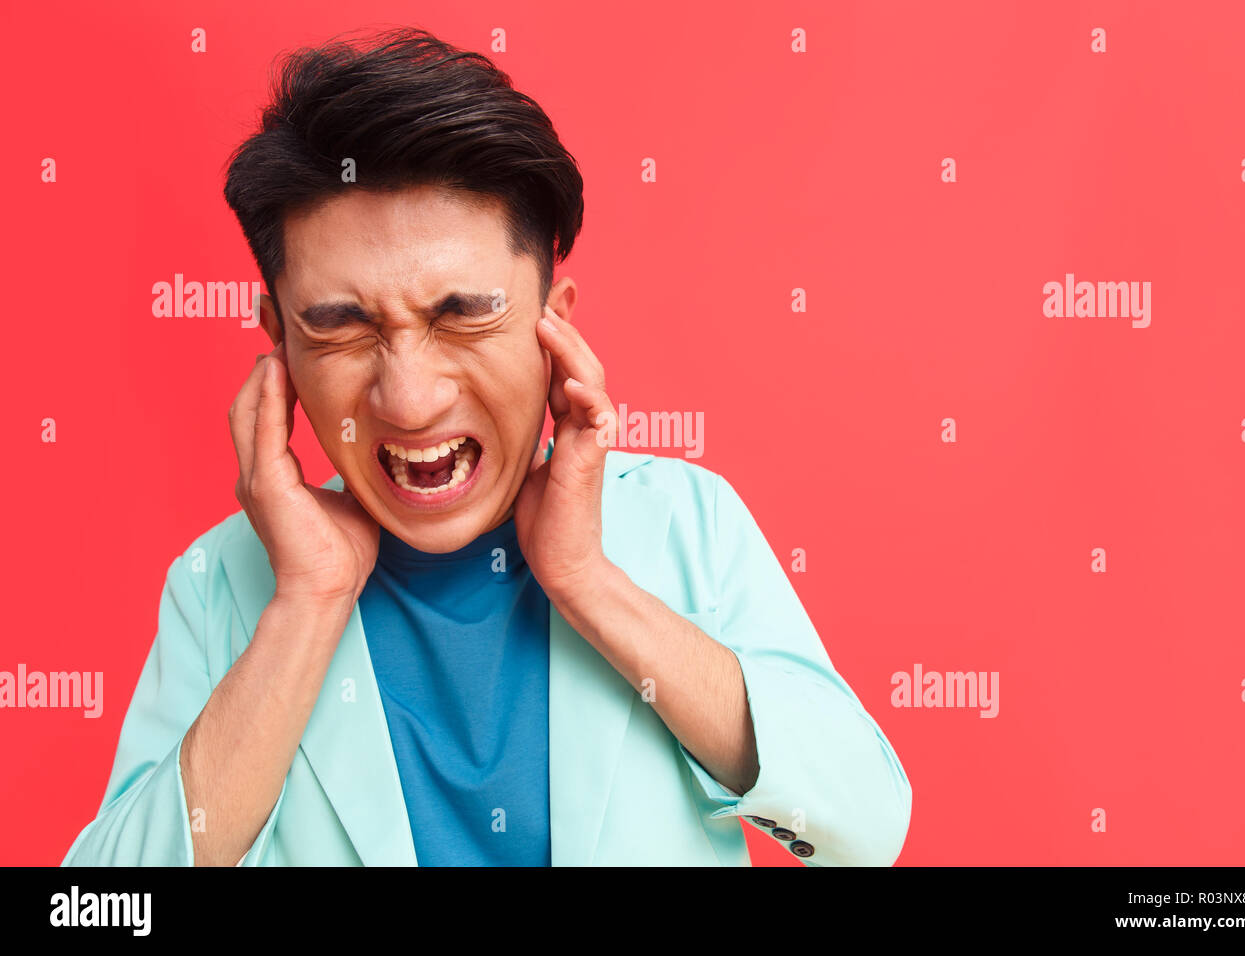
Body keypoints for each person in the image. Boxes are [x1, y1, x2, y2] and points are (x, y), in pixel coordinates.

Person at [61, 26, 911, 867]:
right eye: (342, 328)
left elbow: (866, 828)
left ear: (555, 327)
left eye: (463, 315)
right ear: (278, 346)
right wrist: (306, 606)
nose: (409, 397)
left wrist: (587, 581)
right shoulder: (222, 584)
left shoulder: (690, 523)